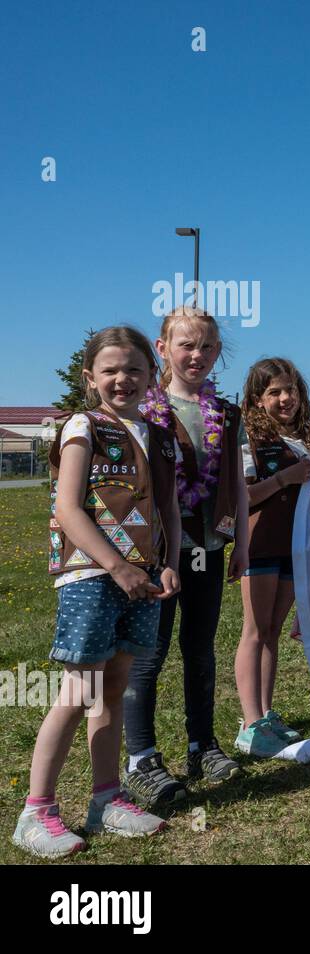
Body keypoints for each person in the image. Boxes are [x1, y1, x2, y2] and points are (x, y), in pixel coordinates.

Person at [14, 327, 180, 858]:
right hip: (92, 574)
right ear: (90, 378)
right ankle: (35, 811)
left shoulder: (155, 433)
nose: (121, 379)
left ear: (151, 376)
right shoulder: (82, 426)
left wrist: (169, 563)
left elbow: (168, 509)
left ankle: (106, 798)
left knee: (113, 688)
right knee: (78, 691)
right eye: (109, 370)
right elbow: (67, 509)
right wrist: (115, 566)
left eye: (133, 369)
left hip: (142, 575)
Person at [123, 308, 248, 811]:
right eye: (186, 346)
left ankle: (203, 744)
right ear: (163, 348)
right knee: (148, 655)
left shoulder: (227, 413)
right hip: (156, 554)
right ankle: (142, 755)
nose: (196, 356)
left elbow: (236, 482)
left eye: (207, 347)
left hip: (209, 548)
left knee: (199, 649)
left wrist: (244, 541)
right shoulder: (147, 411)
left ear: (218, 352)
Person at [237, 358, 310, 757]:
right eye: (274, 392)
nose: (284, 399)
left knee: (273, 632)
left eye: (290, 390)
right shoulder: (248, 440)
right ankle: (248, 724)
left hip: (295, 546)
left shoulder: (309, 436)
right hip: (260, 543)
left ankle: (265, 712)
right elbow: (241, 497)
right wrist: (283, 478)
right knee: (254, 631)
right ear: (258, 400)